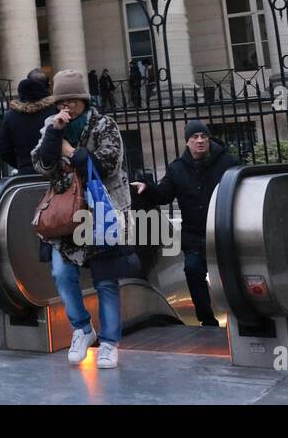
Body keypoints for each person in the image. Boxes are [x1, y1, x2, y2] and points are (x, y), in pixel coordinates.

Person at [31, 69, 131, 369]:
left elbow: (108, 163)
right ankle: (83, 329)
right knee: (61, 274)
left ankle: (110, 343)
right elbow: (41, 163)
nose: (68, 106)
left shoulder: (103, 125)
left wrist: (72, 151)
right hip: (66, 215)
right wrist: (55, 134)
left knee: (105, 281)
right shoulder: (52, 126)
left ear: (84, 100)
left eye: (73, 99)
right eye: (62, 100)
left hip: (100, 213)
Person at [133, 120, 238, 326]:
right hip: (195, 237)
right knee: (192, 270)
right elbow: (164, 194)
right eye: (194, 138)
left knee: (229, 276)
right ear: (187, 142)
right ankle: (207, 320)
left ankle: (237, 316)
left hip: (222, 233)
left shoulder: (228, 163)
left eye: (203, 137)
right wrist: (147, 188)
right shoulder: (177, 169)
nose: (200, 141)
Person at [0, 73, 56, 174]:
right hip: (54, 171)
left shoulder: (10, 115)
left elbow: (4, 150)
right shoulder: (55, 111)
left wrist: (22, 164)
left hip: (26, 172)